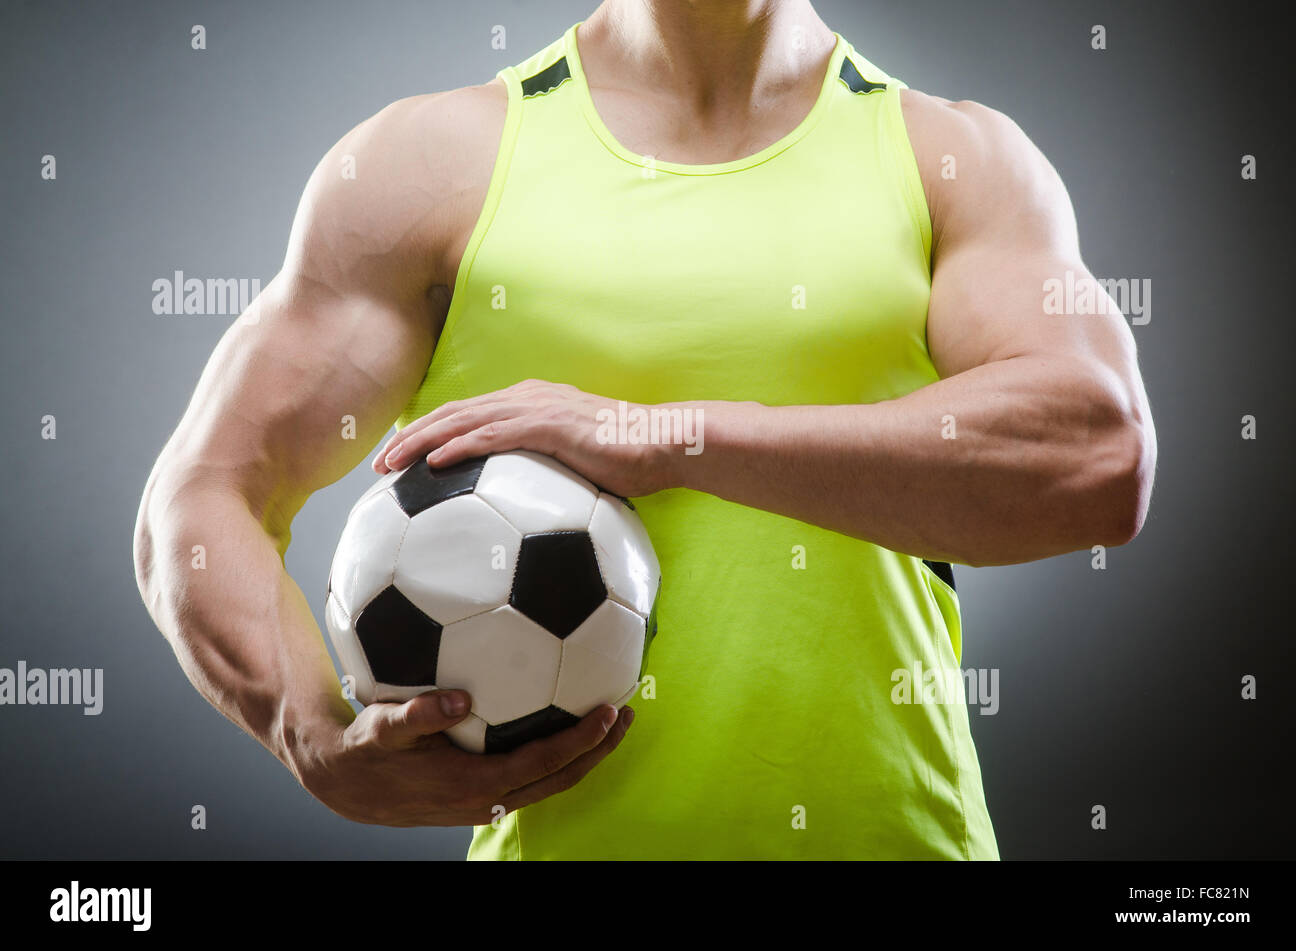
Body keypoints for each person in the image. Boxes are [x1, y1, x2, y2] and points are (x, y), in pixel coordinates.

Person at [133, 0, 1156, 859]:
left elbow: (1097, 456)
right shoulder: (432, 163)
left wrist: (672, 438)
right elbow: (206, 492)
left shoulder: (955, 160)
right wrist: (304, 729)